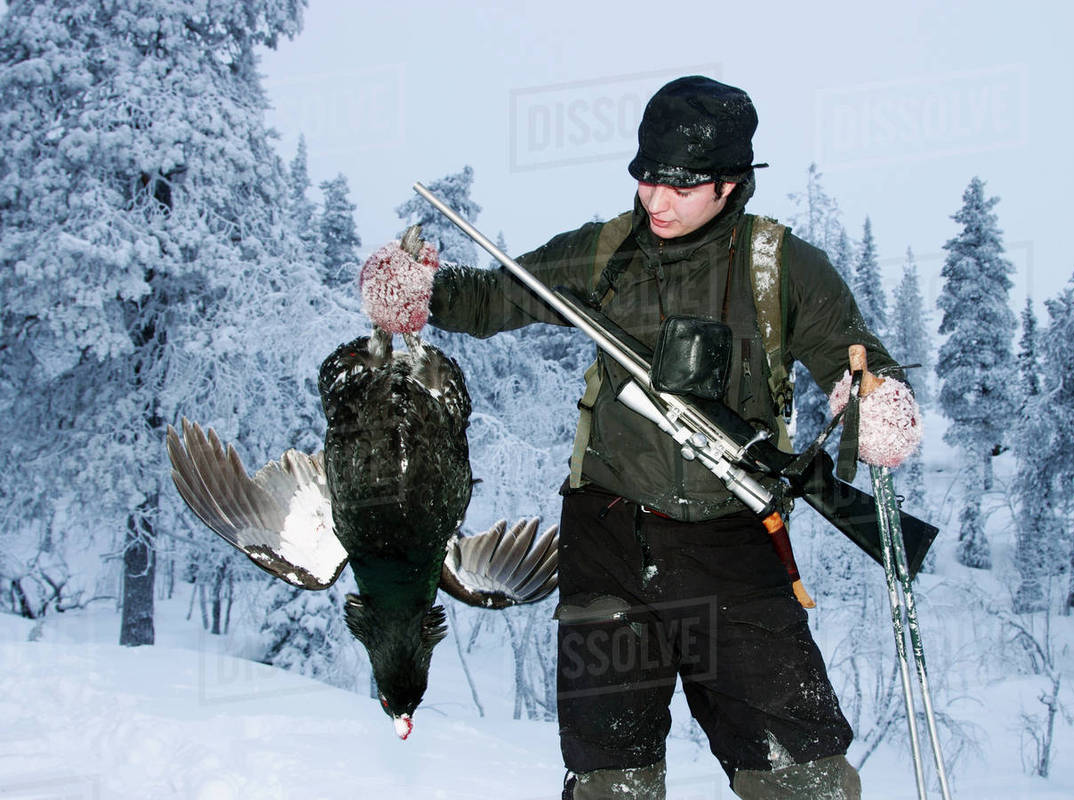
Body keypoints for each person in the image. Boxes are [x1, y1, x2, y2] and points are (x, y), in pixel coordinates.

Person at [361, 76, 921, 800]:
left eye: (680, 186)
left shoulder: (779, 267)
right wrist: (420, 294)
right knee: (609, 784)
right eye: (647, 177)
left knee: (804, 778)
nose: (656, 200)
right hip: (607, 540)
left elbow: (857, 357)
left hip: (731, 545)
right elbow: (499, 294)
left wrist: (877, 399)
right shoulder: (605, 253)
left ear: (730, 184)